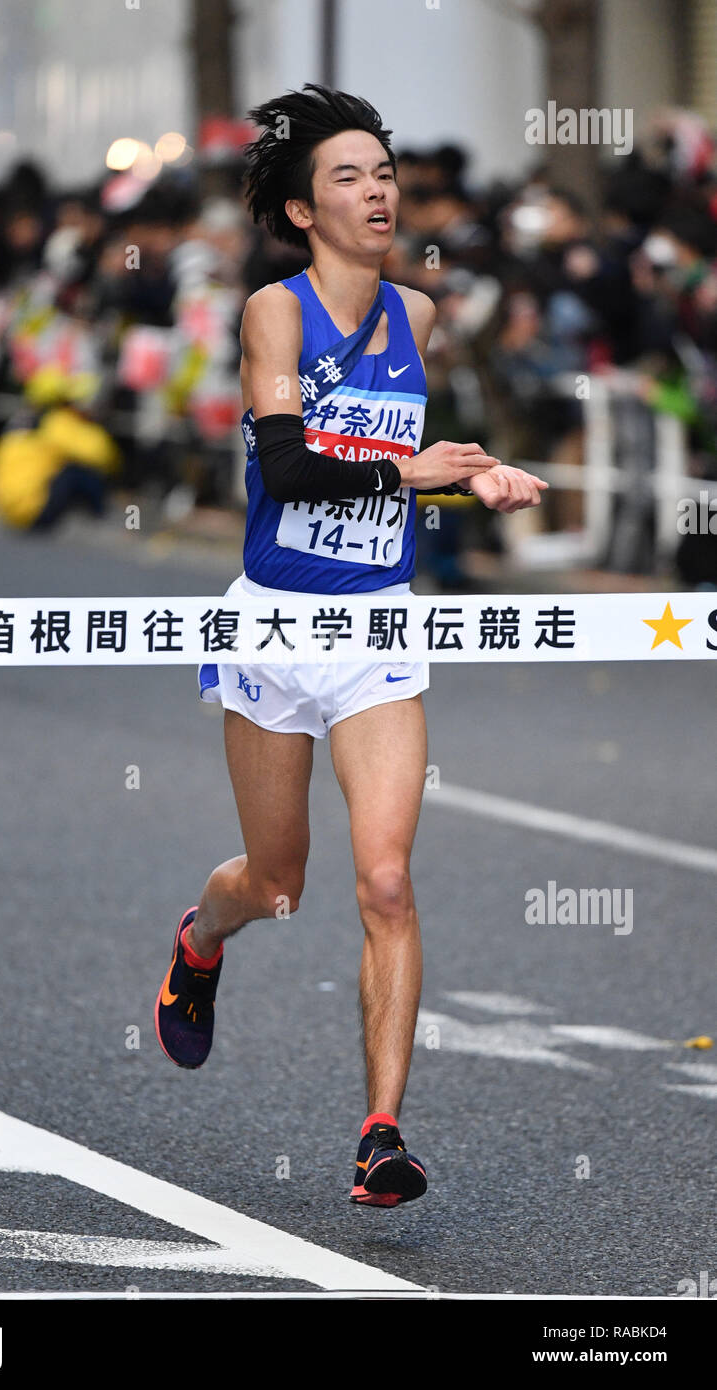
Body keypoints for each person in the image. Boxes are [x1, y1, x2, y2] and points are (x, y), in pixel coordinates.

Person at [154, 84, 547, 1208]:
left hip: (376, 626)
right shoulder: (274, 314)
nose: (376, 191)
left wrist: (482, 476)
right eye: (347, 176)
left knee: (384, 879)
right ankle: (200, 937)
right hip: (274, 623)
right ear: (297, 211)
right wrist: (411, 471)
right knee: (279, 883)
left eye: (383, 172)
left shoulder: (418, 317)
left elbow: (422, 468)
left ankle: (381, 1133)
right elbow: (284, 470)